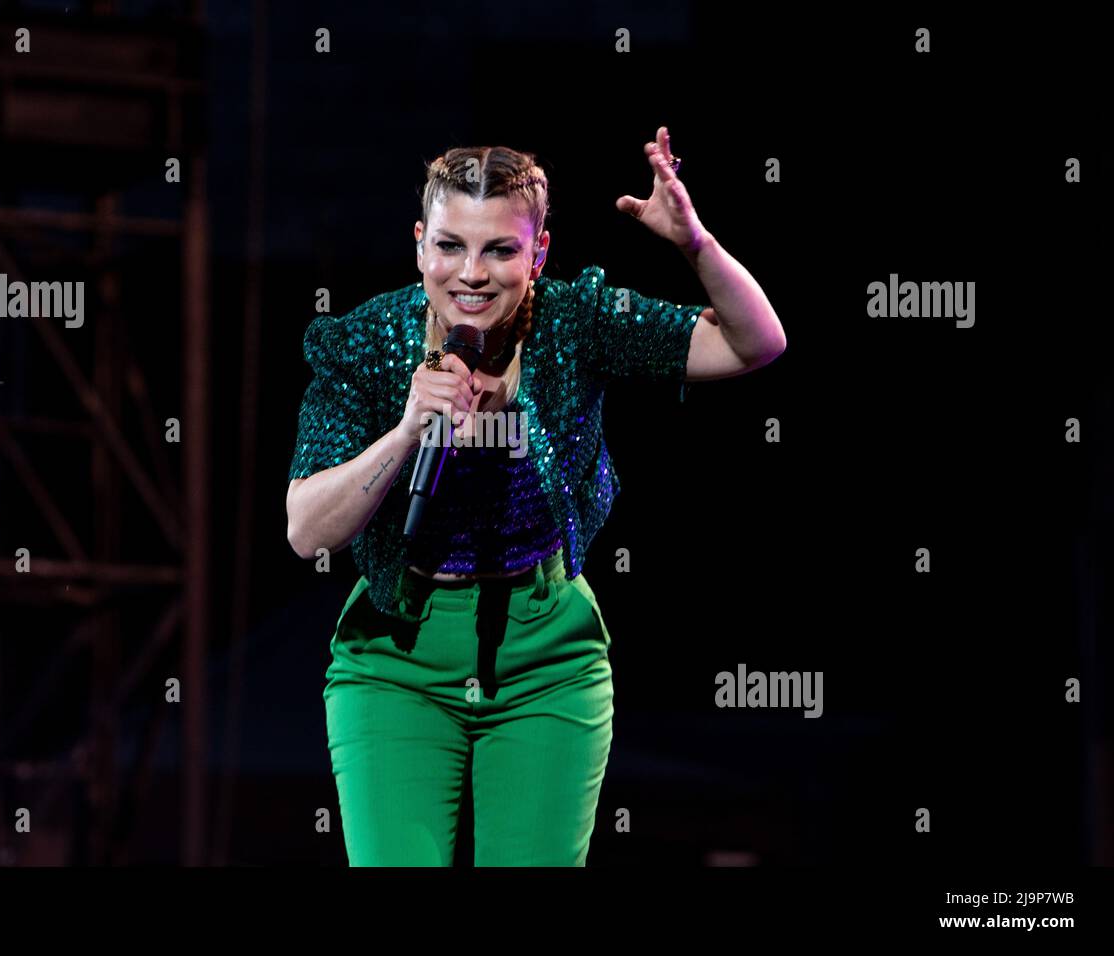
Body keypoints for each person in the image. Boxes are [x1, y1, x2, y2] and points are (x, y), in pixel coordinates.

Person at [286, 127, 786, 866]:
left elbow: (755, 342)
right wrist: (406, 433)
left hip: (546, 658)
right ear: (420, 246)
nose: (472, 274)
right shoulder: (365, 341)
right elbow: (306, 531)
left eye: (500, 250)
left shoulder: (576, 322)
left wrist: (695, 244)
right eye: (450, 246)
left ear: (538, 253)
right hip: (397, 656)